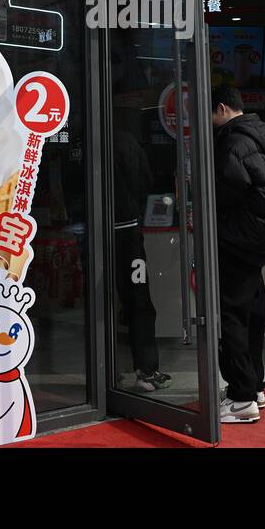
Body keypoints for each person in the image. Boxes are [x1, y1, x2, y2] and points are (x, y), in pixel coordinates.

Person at [210, 84, 265, 424]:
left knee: (232, 314)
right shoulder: (258, 135)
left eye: (210, 113)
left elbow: (227, 188)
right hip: (261, 235)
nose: (209, 121)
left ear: (222, 108)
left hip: (239, 237)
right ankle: (254, 385)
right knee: (252, 311)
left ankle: (241, 398)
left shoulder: (231, 140)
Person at [112, 127, 169, 392]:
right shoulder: (127, 140)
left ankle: (106, 369)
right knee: (139, 300)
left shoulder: (86, 137)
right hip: (127, 230)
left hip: (95, 232)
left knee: (101, 303)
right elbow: (145, 181)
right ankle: (146, 370)